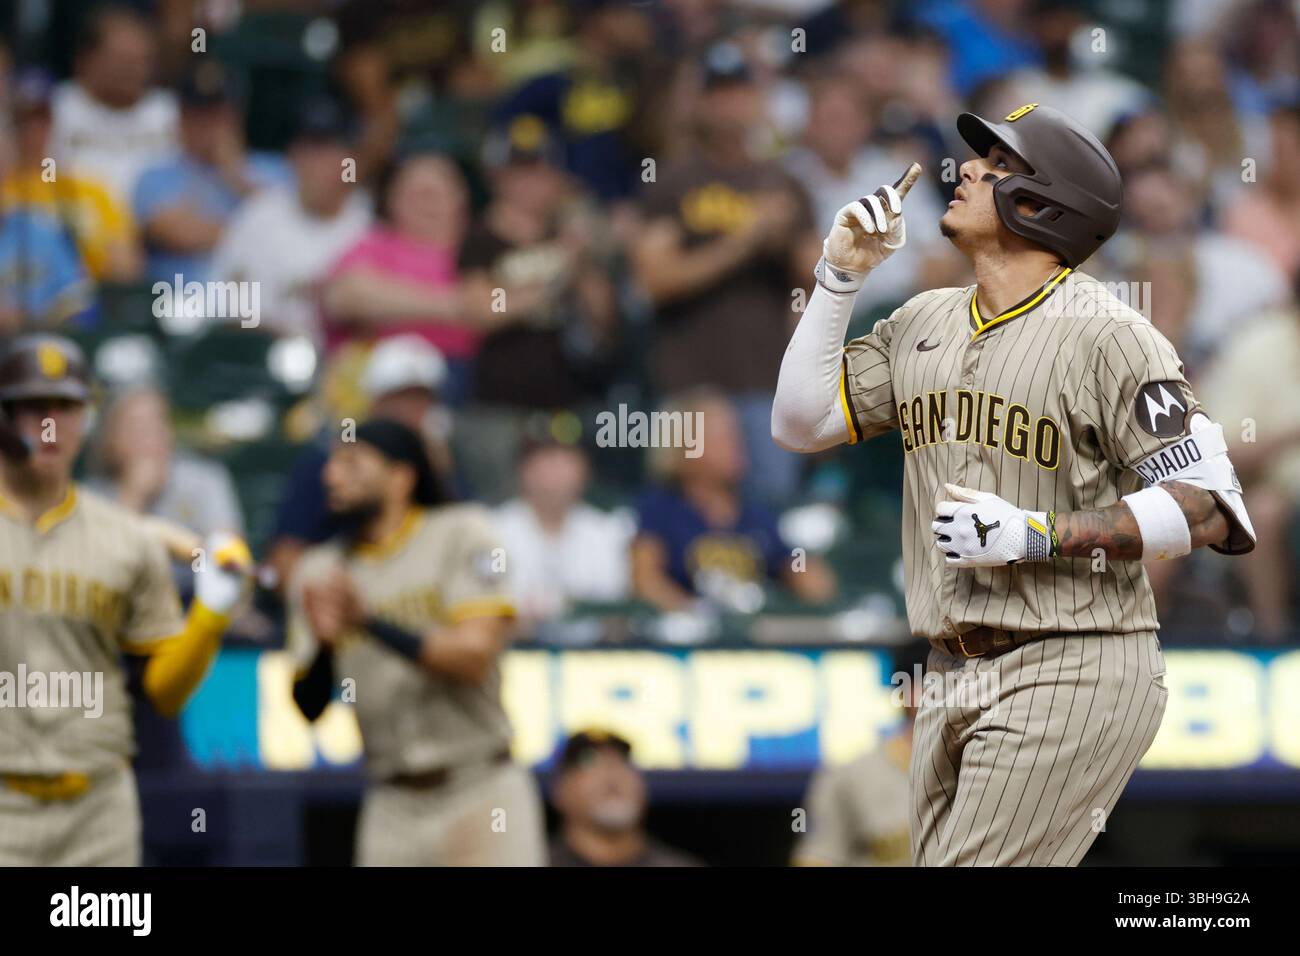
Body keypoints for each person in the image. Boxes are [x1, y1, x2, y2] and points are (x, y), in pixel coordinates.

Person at [771, 103, 1256, 866]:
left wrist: (1036, 534)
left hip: (1076, 658)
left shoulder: (1113, 333)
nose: (965, 169)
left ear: (1043, 205)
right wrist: (840, 277)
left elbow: (1211, 507)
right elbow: (800, 423)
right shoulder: (921, 319)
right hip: (950, 668)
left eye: (996, 166)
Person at [0, 334, 250, 865]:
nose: (51, 424)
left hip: (99, 807)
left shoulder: (125, 539)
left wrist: (209, 615)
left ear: (86, 417)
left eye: (66, 407)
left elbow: (162, 691)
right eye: (32, 407)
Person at [287, 419, 544, 865]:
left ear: (401, 476)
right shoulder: (317, 569)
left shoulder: (462, 532)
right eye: (332, 462)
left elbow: (474, 659)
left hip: (480, 785)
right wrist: (327, 647)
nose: (331, 475)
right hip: (391, 801)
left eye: (352, 461)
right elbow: (309, 708)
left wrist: (367, 621)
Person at [630, 42, 821, 506]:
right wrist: (744, 240)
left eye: (739, 92)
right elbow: (654, 281)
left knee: (771, 506)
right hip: (689, 380)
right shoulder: (674, 181)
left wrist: (788, 245)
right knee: (684, 507)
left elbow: (820, 279)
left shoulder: (785, 182)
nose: (729, 105)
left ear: (757, 100)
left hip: (764, 379)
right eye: (718, 94)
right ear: (700, 104)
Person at [265, 335, 451, 597]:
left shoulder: (440, 469)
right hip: (337, 604)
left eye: (421, 400)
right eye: (399, 399)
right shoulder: (325, 465)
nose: (410, 411)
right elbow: (283, 566)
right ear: (374, 401)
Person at [631, 389, 836, 613]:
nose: (736, 444)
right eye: (723, 436)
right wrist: (694, 614)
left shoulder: (755, 514)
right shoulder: (661, 509)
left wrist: (806, 574)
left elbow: (799, 567)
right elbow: (645, 579)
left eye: (737, 434)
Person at [210, 99, 373, 341]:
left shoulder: (368, 223)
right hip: (259, 350)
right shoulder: (260, 213)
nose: (314, 162)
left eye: (327, 150)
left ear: (351, 161)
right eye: (306, 149)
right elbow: (226, 299)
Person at [321, 152, 474, 402]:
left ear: (460, 201)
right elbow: (344, 297)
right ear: (392, 202)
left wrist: (391, 301)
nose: (426, 204)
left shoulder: (478, 249)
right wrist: (457, 306)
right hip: (372, 382)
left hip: (459, 384)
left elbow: (499, 305)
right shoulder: (373, 245)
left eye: (435, 195)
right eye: (415, 195)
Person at [133, 61, 289, 289]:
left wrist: (236, 175)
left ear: (236, 115)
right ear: (181, 119)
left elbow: (291, 230)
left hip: (257, 303)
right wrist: (258, 234)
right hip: (181, 302)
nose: (207, 126)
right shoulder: (155, 176)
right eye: (197, 114)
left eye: (217, 114)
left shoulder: (274, 169)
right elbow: (180, 236)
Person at [84, 385, 246, 594]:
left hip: (195, 600)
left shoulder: (204, 480)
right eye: (136, 427)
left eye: (158, 422)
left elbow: (229, 561)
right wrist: (134, 497)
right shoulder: (90, 497)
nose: (150, 437)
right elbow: (98, 575)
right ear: (110, 441)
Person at [792, 639, 929, 867]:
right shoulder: (849, 776)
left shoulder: (991, 763)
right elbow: (818, 858)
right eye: (926, 682)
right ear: (902, 692)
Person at [3, 68, 142, 282]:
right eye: (24, 121)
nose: (33, 131)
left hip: (88, 302)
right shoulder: (6, 190)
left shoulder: (91, 187)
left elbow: (127, 264)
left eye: (42, 118)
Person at [48, 4, 179, 202]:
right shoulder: (56, 107)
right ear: (87, 59)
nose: (133, 70)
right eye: (122, 60)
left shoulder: (168, 111)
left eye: (142, 60)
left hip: (159, 225)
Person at [494, 440, 631, 624]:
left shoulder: (604, 532)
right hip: (515, 646)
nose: (558, 472)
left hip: (591, 649)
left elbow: (614, 604)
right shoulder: (495, 530)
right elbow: (491, 596)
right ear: (525, 470)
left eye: (568, 461)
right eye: (549, 461)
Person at [548, 730, 701, 867]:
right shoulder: (535, 861)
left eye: (622, 762)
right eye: (590, 763)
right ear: (560, 790)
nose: (611, 774)